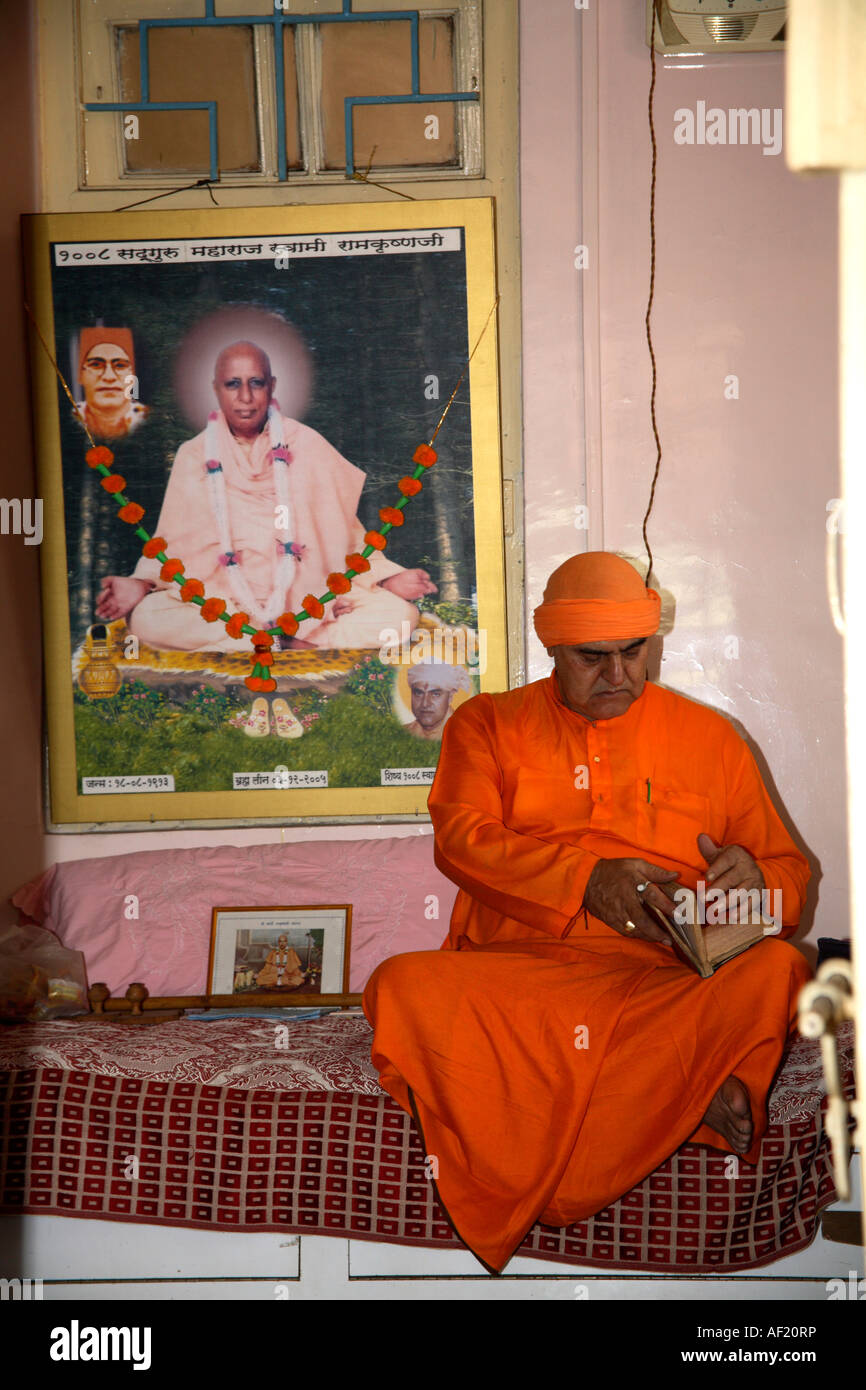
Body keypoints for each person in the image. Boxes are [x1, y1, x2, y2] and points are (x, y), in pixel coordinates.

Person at [363, 551, 812, 1275]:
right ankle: (683, 1094)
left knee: (782, 966)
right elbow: (462, 840)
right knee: (403, 988)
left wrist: (756, 877)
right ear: (551, 649)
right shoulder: (487, 725)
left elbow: (791, 879)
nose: (619, 676)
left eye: (635, 652)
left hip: (666, 981)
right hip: (523, 976)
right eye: (592, 657)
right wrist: (585, 882)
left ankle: (685, 1085)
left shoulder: (714, 740)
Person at [95, 340, 436, 652]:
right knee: (148, 618)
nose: (245, 397)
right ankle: (283, 644)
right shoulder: (193, 455)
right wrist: (140, 584)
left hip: (308, 603)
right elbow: (170, 542)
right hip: (226, 605)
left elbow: (347, 536)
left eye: (255, 383)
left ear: (271, 386)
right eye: (233, 384)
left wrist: (388, 578)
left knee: (398, 614)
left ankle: (277, 641)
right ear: (216, 390)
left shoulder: (308, 445)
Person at [75, 328, 148, 440]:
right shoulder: (70, 419)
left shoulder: (148, 417)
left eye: (120, 365)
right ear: (81, 376)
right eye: (96, 365)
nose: (109, 377)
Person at [404, 663, 471, 740]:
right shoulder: (402, 733)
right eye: (418, 693)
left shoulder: (466, 734)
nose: (425, 704)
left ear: (450, 697)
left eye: (435, 694)